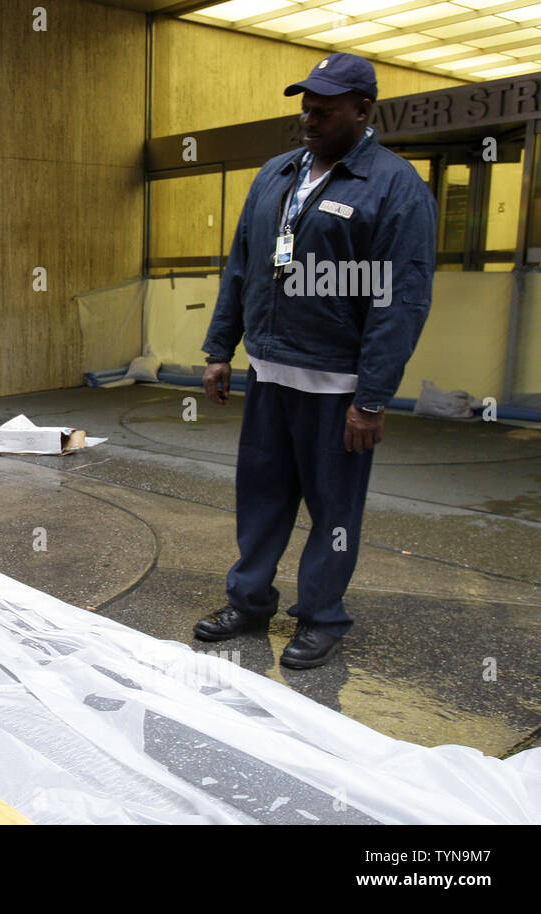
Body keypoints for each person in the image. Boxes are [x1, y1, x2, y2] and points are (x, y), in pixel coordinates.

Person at [195, 53, 436, 669]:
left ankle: (322, 616)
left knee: (333, 511)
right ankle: (249, 603)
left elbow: (399, 301)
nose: (312, 115)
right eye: (307, 104)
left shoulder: (394, 187)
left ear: (364, 109)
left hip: (338, 389)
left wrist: (373, 396)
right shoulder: (277, 174)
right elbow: (243, 265)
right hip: (271, 373)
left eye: (327, 107)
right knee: (262, 498)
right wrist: (221, 348)